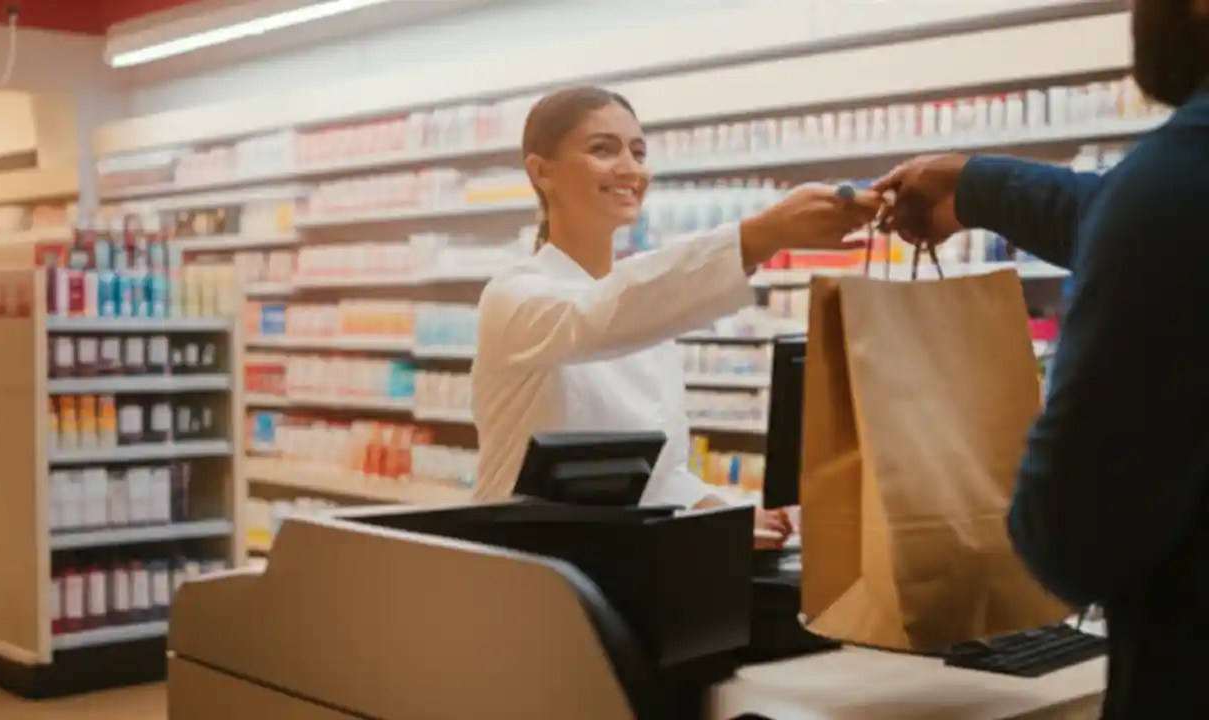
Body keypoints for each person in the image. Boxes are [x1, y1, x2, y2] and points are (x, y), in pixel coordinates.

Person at [873, 2, 1209, 716]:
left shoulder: (1178, 180)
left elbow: (1073, 540)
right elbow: (1127, 211)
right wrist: (977, 187)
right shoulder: (1167, 191)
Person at [470, 86, 879, 539]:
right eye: (603, 150)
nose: (630, 168)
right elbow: (595, 317)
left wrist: (727, 515)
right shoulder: (516, 295)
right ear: (541, 172)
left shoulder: (649, 318)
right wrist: (762, 234)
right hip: (524, 561)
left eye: (638, 151)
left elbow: (660, 474)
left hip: (620, 556)